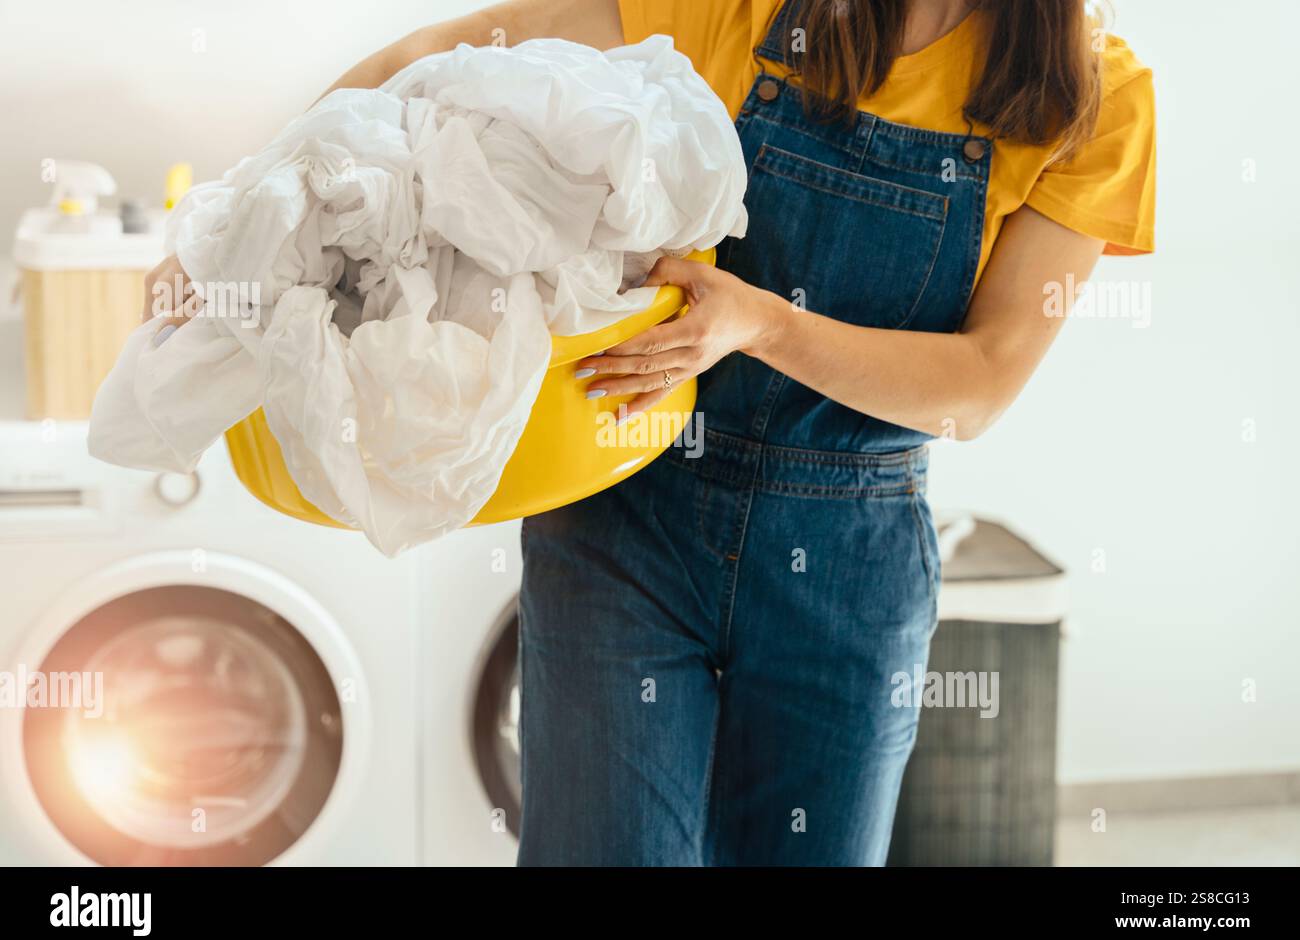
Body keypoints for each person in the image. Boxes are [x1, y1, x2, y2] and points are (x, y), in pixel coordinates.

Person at [144, 0, 1156, 865]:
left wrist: (760, 321)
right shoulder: (750, 9)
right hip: (628, 518)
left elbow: (975, 388)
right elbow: (433, 60)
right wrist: (236, 222)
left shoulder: (1094, 98)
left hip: (848, 569)